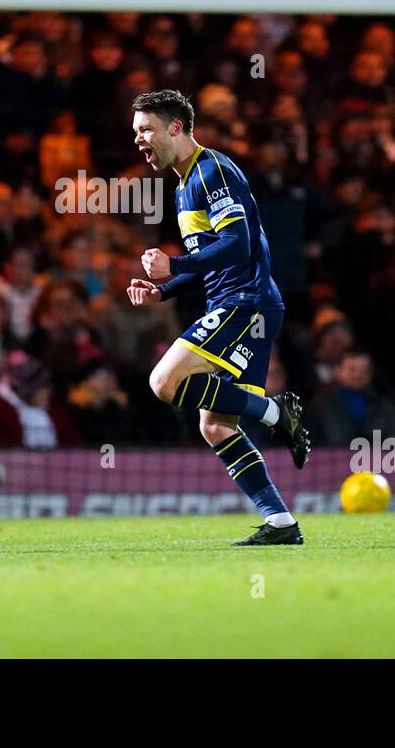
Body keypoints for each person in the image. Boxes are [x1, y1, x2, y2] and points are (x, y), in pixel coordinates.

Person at [126, 89, 311, 546]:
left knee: (163, 382)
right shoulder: (184, 183)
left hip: (244, 302)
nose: (139, 140)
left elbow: (238, 245)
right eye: (135, 133)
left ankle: (274, 411)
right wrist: (164, 289)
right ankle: (282, 524)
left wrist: (175, 264)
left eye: (146, 129)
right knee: (216, 425)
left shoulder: (212, 172)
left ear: (175, 127)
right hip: (241, 302)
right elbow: (208, 257)